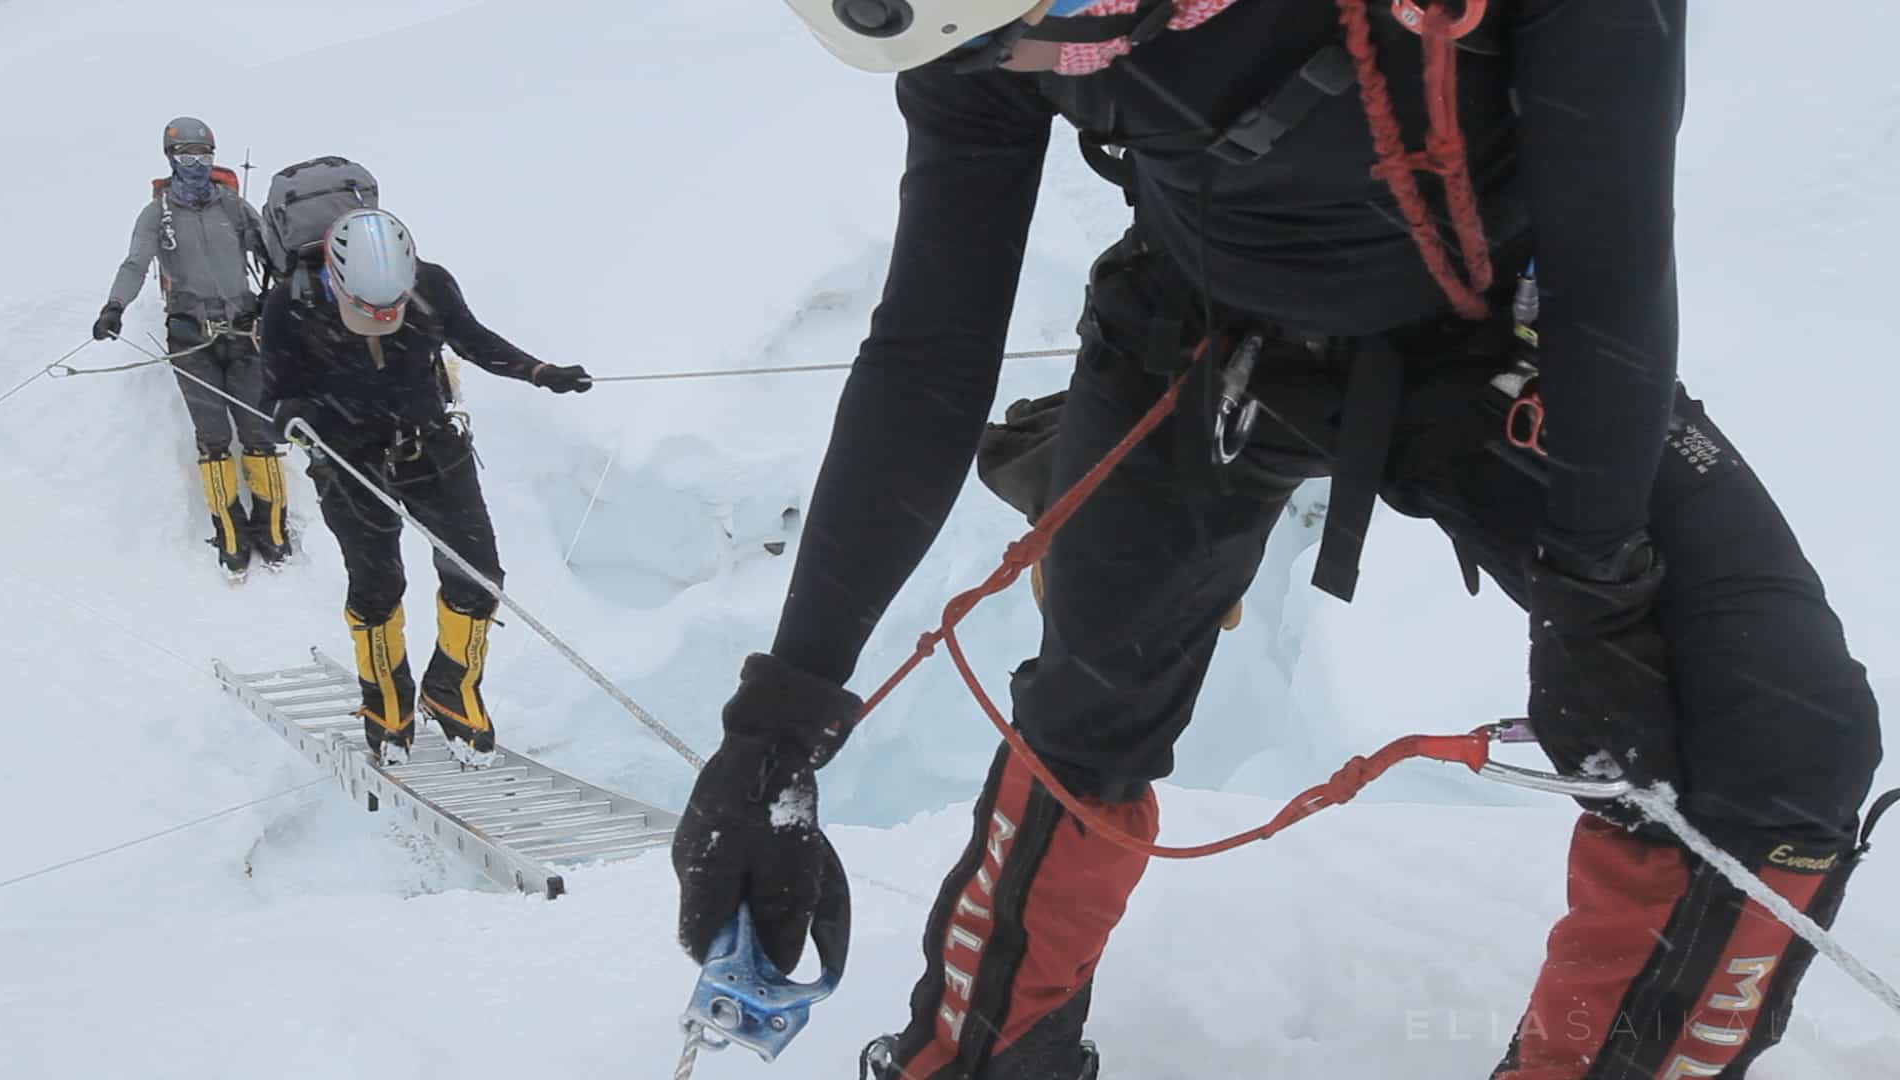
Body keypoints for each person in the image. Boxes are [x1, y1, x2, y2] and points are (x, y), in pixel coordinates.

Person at [671, 3, 1887, 1078]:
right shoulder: (982, 22)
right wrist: (780, 723)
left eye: (1057, 26)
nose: (1037, 62)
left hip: (1505, 336)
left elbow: (1608, 265)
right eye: (1002, 49)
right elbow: (932, 347)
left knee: (1781, 740)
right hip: (1200, 330)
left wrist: (1600, 587)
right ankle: (980, 1057)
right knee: (1089, 706)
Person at [258, 208, 592, 766]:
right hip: (348, 460)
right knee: (376, 583)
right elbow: (270, 401)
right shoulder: (290, 306)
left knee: (478, 574)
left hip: (430, 445)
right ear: (337, 280)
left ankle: (451, 689)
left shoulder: (431, 286)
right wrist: (293, 417)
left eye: (392, 308)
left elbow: (472, 339)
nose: (382, 318)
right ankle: (386, 703)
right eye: (369, 311)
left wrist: (538, 371)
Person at [95, 116, 289, 579]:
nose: (196, 164)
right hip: (190, 338)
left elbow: (270, 252)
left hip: (244, 332)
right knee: (213, 435)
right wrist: (114, 306)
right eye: (186, 155)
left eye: (203, 155)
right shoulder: (157, 215)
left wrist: (292, 285)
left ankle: (273, 529)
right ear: (170, 158)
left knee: (258, 429)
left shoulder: (233, 205)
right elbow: (135, 263)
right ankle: (230, 533)